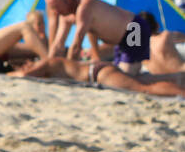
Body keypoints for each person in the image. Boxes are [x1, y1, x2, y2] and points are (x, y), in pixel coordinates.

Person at [46, 0, 158, 68]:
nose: (55, 12)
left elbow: (76, 45)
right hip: (121, 40)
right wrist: (48, 65)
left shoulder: (84, 7)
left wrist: (69, 69)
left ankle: (172, 78)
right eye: (52, 8)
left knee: (128, 77)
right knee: (121, 75)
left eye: (56, 7)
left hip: (134, 29)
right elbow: (57, 45)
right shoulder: (65, 15)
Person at [11, 55, 185, 97]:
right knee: (141, 83)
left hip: (98, 74)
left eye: (25, 64)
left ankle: (181, 93)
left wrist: (9, 74)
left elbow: (25, 75)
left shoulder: (48, 63)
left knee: (143, 89)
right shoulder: (53, 62)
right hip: (99, 70)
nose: (27, 66)